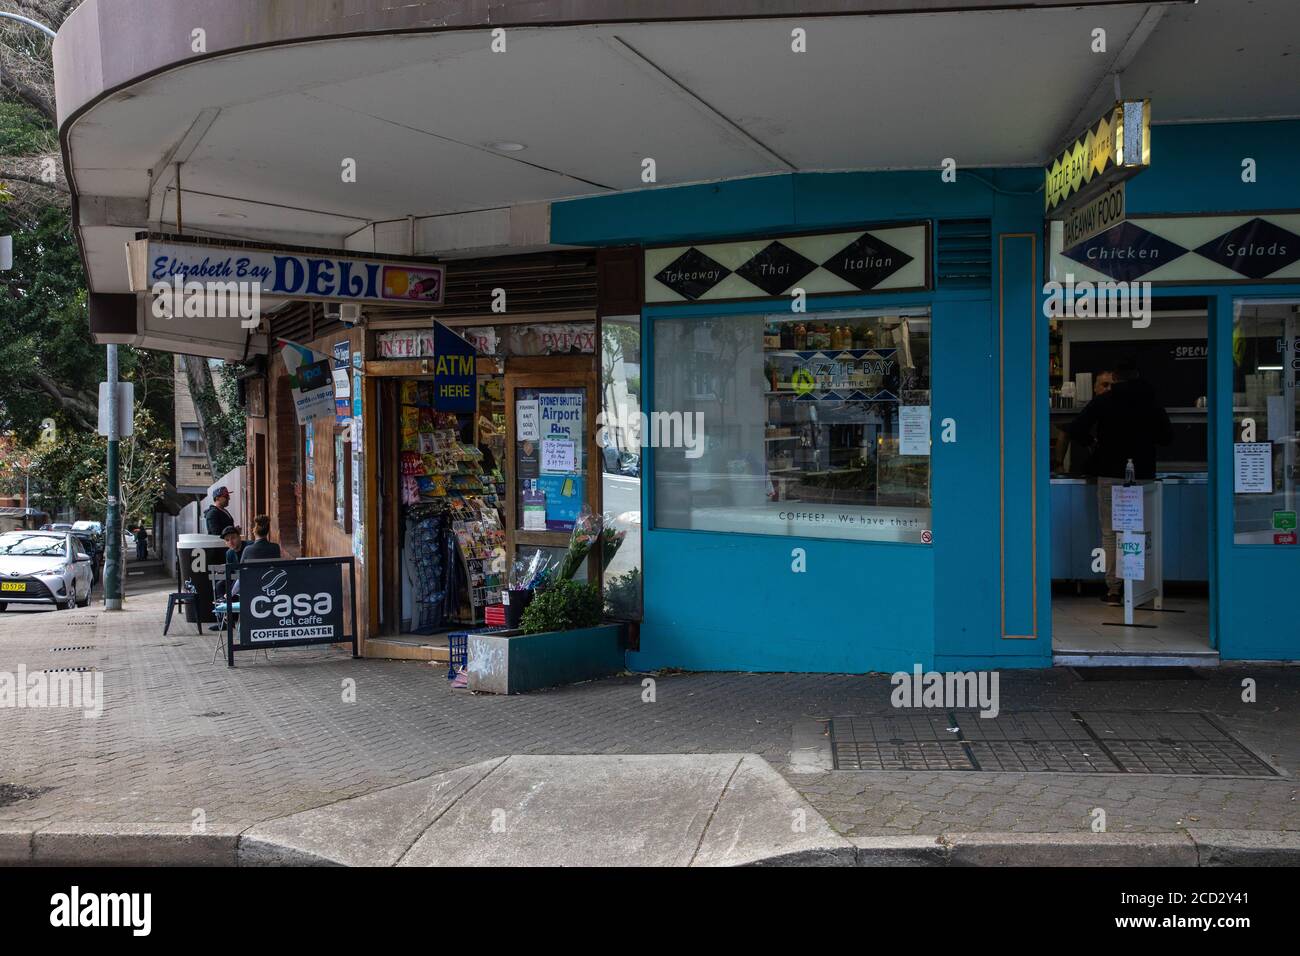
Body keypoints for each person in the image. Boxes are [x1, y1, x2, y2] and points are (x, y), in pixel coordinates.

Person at [1066, 357, 1173, 605]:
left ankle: (1114, 590)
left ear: (1115, 379)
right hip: (1144, 474)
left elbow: (1076, 429)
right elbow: (1167, 437)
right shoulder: (1152, 403)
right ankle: (1140, 589)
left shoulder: (1104, 401)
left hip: (1110, 472)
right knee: (1141, 531)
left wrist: (1095, 444)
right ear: (1138, 376)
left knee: (1111, 533)